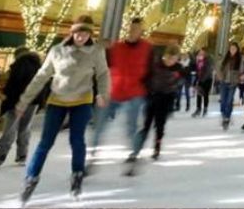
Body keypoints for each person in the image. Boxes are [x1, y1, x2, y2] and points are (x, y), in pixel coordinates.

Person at [17, 15, 111, 204]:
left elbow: (102, 74)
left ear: (90, 34)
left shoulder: (96, 51)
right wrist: (24, 100)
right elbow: (41, 76)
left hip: (82, 100)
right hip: (57, 100)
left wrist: (103, 93)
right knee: (45, 142)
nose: (81, 36)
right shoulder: (57, 51)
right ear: (72, 32)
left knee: (77, 140)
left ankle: (77, 174)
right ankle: (31, 178)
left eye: (85, 33)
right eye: (78, 32)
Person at [91, 17, 152, 166]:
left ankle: (135, 153)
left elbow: (151, 71)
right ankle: (91, 155)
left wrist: (149, 91)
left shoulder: (147, 48)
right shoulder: (116, 48)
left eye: (137, 29)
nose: (133, 32)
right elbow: (104, 69)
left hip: (135, 92)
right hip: (114, 91)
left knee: (131, 127)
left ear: (141, 31)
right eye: (131, 28)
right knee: (99, 124)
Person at [127, 45, 185, 173]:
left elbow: (182, 81)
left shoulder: (179, 69)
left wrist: (175, 90)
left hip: (166, 99)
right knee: (146, 125)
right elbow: (146, 78)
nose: (170, 61)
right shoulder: (156, 65)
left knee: (159, 125)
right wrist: (146, 89)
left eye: (173, 59)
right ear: (165, 56)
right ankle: (136, 150)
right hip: (153, 97)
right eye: (169, 58)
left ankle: (157, 146)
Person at [0, 47, 42, 169]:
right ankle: (22, 155)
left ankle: (1, 155)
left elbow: (14, 83)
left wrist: (6, 96)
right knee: (25, 128)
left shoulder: (19, 65)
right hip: (33, 101)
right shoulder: (38, 66)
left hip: (17, 101)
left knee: (10, 127)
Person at [215, 43, 243, 130]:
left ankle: (227, 118)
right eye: (231, 48)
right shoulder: (225, 58)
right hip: (224, 82)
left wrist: (240, 77)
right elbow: (219, 67)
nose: (232, 50)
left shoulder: (239, 60)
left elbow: (241, 70)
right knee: (223, 100)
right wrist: (220, 76)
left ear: (237, 50)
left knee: (229, 101)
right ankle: (223, 115)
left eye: (234, 48)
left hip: (233, 83)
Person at [192, 49, 213, 118]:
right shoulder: (198, 61)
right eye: (200, 53)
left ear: (205, 53)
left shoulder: (208, 60)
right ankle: (198, 109)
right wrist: (197, 79)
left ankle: (205, 109)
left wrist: (202, 79)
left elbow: (208, 71)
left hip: (207, 80)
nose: (201, 54)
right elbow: (197, 70)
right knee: (199, 95)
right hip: (200, 80)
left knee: (205, 95)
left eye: (202, 52)